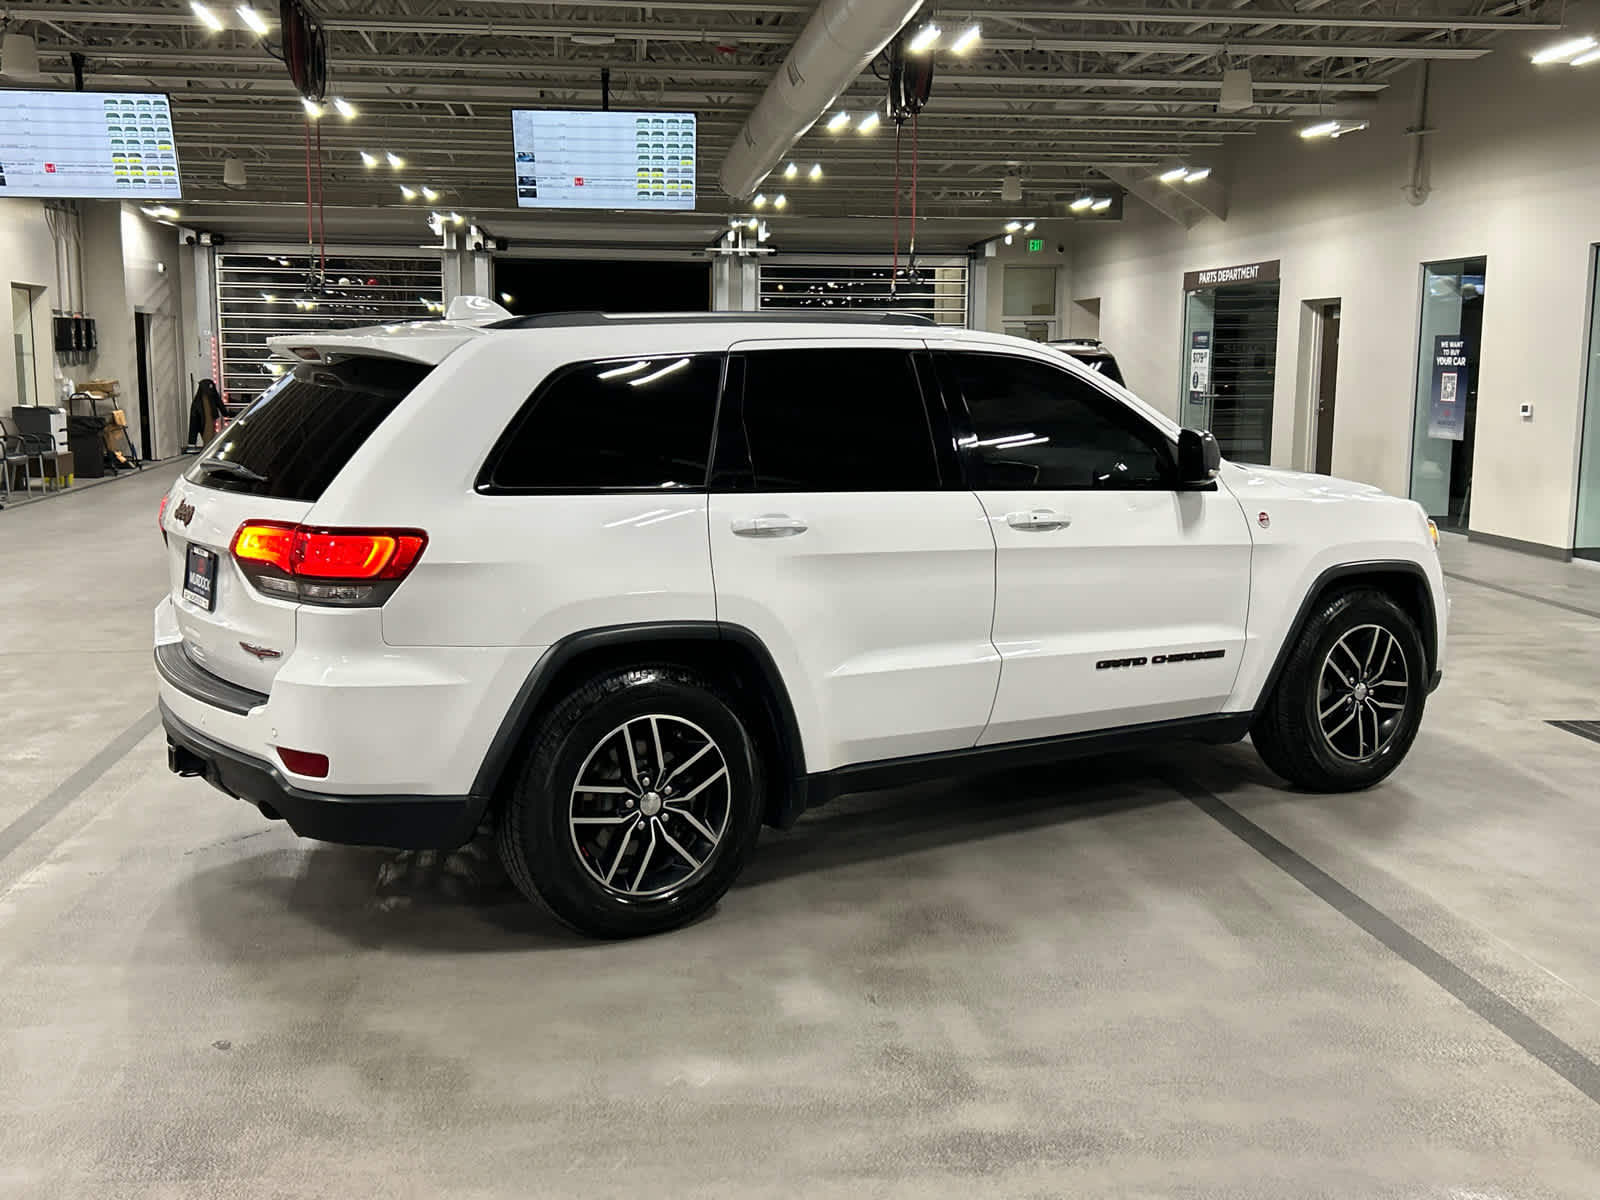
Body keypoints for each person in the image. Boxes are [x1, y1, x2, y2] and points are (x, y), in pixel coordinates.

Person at [186, 379, 222, 451]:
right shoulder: (210, 396)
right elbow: (219, 403)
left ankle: (197, 446)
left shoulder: (198, 400)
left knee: (198, 429)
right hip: (204, 420)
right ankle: (206, 447)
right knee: (205, 431)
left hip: (204, 420)